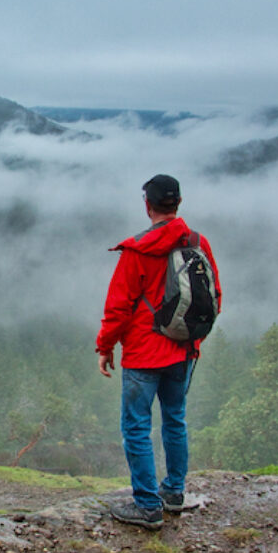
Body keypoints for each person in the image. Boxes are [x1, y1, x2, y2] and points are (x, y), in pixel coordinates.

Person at [96, 174, 221, 530]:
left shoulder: (137, 251)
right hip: (183, 350)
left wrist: (105, 347)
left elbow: (118, 308)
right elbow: (214, 297)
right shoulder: (197, 242)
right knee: (175, 419)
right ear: (178, 203)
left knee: (137, 426)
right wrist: (192, 339)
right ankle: (174, 493)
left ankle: (148, 506)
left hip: (143, 354)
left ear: (147, 206)